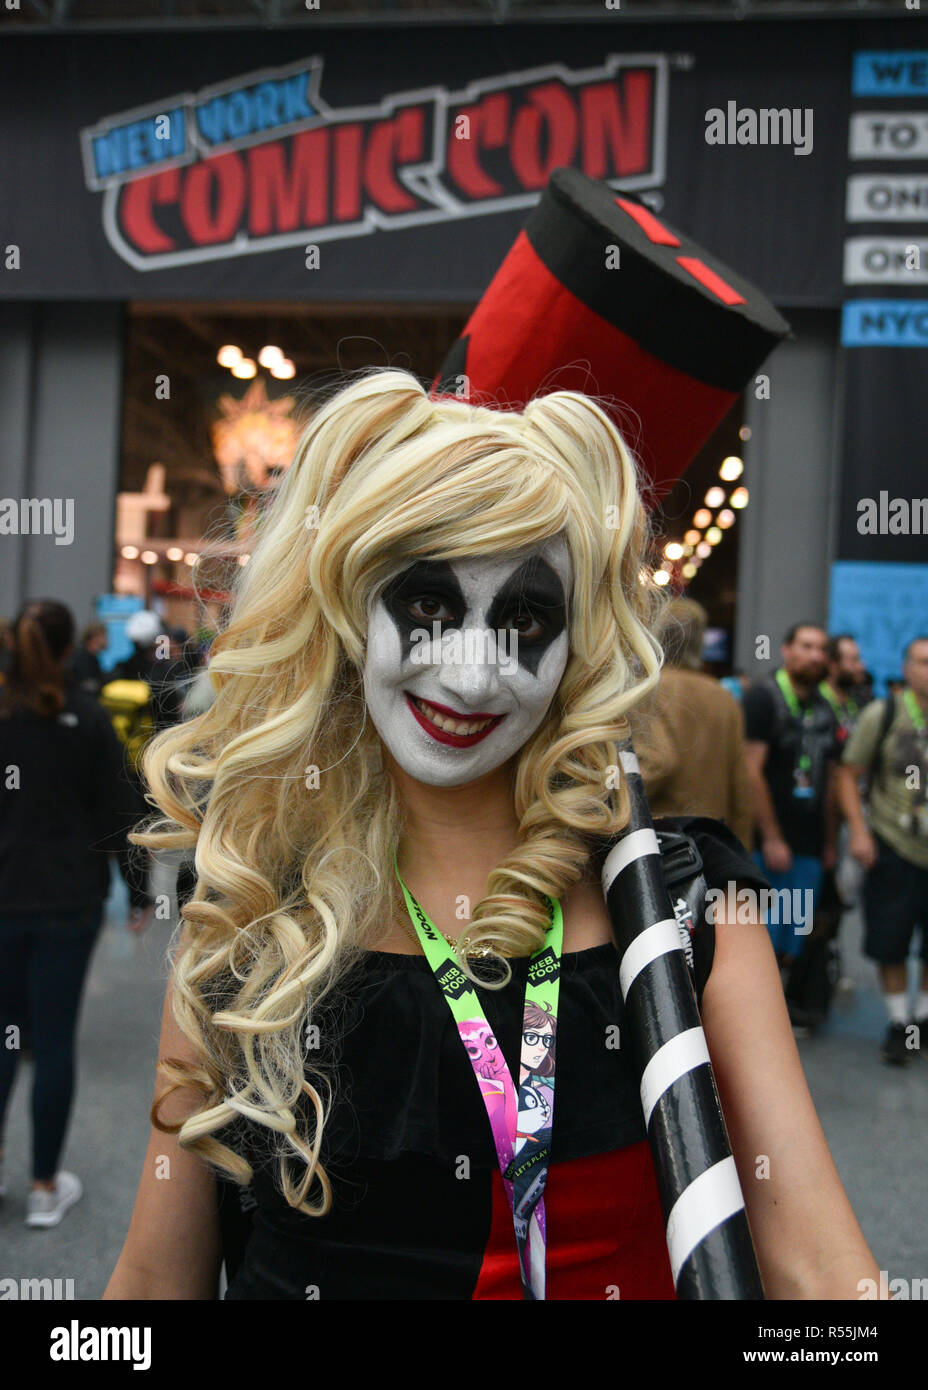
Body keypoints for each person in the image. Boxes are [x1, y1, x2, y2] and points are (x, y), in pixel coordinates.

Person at [105, 371, 878, 1300]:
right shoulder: (251, 913)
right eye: (429, 607)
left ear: (575, 641)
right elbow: (156, 1284)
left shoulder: (689, 907)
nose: (472, 679)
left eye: (524, 618)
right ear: (350, 607)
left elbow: (824, 1276)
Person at [0, 600, 152, 1226]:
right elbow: (118, 813)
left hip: (4, 898)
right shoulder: (87, 720)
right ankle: (42, 1188)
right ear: (69, 650)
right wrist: (139, 892)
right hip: (68, 899)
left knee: (5, 1035)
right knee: (54, 1040)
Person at [838, 637, 928, 1066]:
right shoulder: (884, 713)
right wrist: (859, 832)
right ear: (906, 668)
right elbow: (848, 774)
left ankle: (922, 1020)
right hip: (894, 846)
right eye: (923, 663)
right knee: (891, 941)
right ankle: (898, 1023)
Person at [743, 623, 841, 965]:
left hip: (809, 844)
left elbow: (831, 779)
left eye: (822, 650)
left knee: (791, 942)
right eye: (807, 646)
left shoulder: (825, 708)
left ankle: (784, 1010)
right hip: (765, 842)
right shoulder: (763, 697)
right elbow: (750, 770)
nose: (816, 656)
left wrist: (830, 843)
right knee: (759, 939)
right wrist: (771, 837)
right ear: (786, 650)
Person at [633, 598, 753, 850]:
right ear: (700, 640)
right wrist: (742, 851)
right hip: (714, 844)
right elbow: (740, 783)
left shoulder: (647, 690)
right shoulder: (723, 696)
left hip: (662, 846)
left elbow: (655, 764)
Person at [820, 633, 869, 747]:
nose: (861, 666)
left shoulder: (861, 699)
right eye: (854, 660)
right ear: (832, 665)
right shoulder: (815, 701)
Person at [69, 620, 108, 697]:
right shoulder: (82, 657)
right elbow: (86, 684)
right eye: (104, 636)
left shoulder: (91, 657)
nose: (106, 639)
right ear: (95, 637)